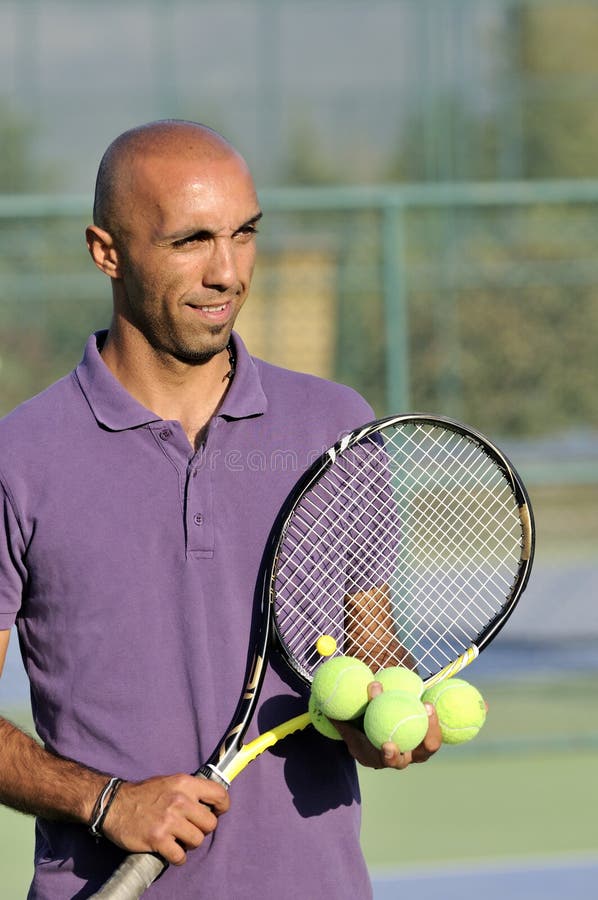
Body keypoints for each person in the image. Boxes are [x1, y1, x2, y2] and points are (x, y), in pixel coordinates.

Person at [0, 120, 441, 899]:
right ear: (107, 252)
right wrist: (107, 804)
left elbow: (375, 649)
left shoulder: (336, 429)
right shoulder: (20, 457)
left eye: (244, 234)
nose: (228, 271)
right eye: (190, 241)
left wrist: (389, 717)